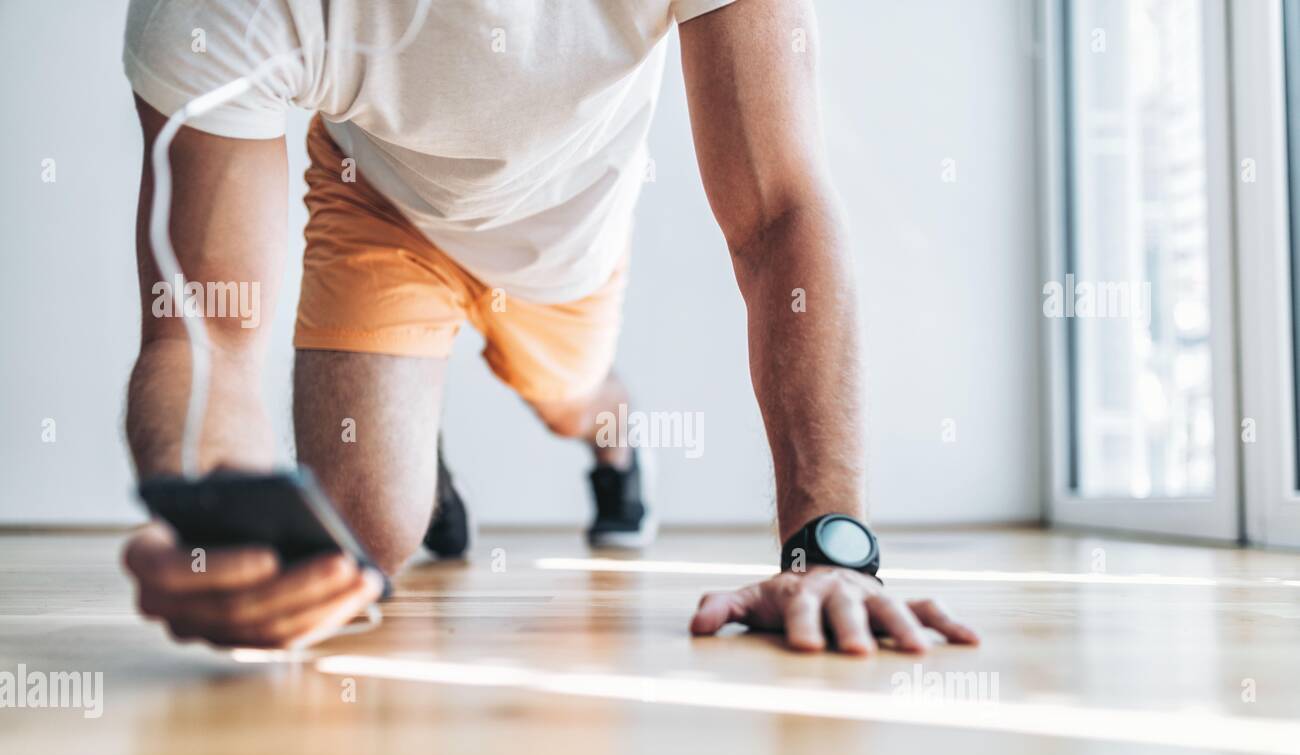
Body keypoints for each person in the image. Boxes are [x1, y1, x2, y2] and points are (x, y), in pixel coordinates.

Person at [121, 0, 979, 655]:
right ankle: (419, 456)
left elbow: (776, 215)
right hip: (381, 209)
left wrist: (826, 549)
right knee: (355, 540)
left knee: (574, 400)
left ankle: (612, 444)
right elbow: (202, 337)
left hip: (565, 241)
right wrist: (212, 511)